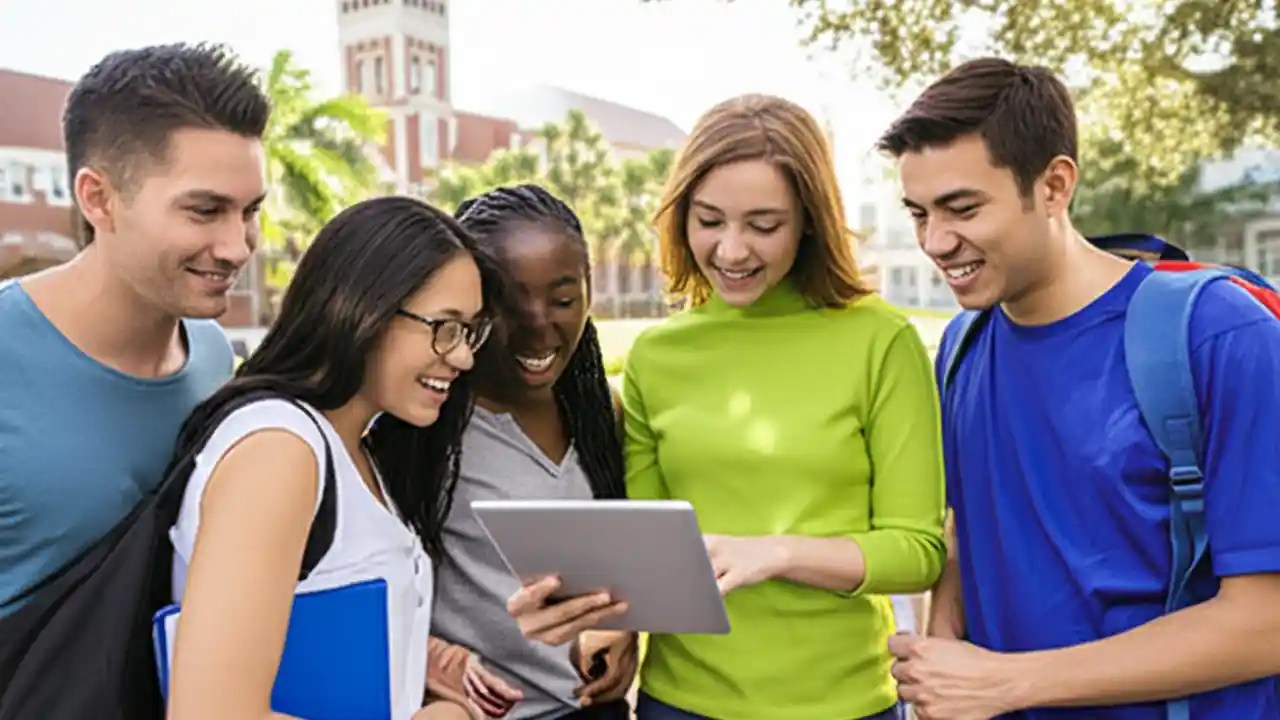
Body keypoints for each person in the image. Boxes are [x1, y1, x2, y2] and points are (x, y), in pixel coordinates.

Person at [508, 94, 948, 719]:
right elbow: (649, 547)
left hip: (844, 705)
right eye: (709, 220)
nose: (732, 250)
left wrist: (774, 552)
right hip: (682, 704)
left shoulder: (882, 342)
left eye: (764, 225)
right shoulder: (659, 356)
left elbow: (916, 553)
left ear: (809, 222)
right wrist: (601, 621)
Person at [880, 57, 1280, 720]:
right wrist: (942, 646)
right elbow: (965, 526)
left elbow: (1266, 622)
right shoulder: (959, 347)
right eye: (919, 213)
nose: (935, 241)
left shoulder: (1220, 335)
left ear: (1054, 185)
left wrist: (1008, 682)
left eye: (962, 208)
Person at [164, 196, 503, 720]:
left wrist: (421, 657)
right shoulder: (279, 452)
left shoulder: (358, 448)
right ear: (362, 308)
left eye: (470, 331)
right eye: (445, 326)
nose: (462, 356)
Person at [0, 43, 268, 617]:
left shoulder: (213, 357)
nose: (237, 246)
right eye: (204, 211)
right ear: (99, 199)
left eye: (249, 211)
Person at [425, 185, 637, 720]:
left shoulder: (602, 414)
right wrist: (431, 660)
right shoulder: (427, 427)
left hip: (595, 711)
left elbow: (629, 560)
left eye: (563, 301)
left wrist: (622, 628)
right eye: (508, 304)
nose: (539, 325)